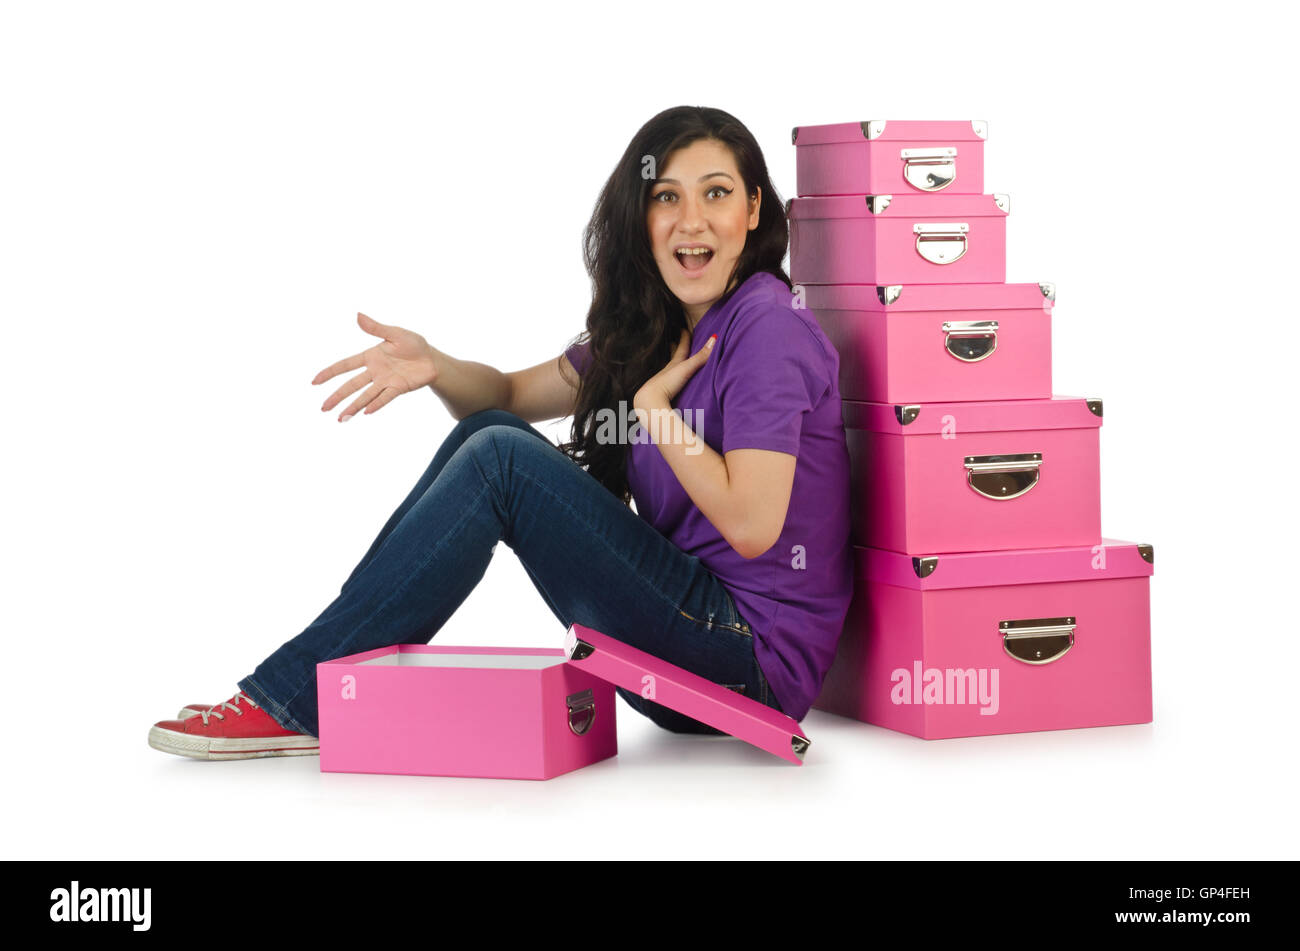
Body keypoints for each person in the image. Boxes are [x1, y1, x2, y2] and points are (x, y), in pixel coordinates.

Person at [148, 105, 853, 760]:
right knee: (488, 431)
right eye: (666, 196)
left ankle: (300, 697)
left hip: (746, 662)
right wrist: (436, 366)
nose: (690, 220)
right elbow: (513, 395)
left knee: (500, 460)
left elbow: (757, 526)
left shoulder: (767, 326)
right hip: (692, 643)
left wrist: (655, 411)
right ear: (640, 216)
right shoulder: (661, 329)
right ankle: (323, 672)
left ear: (755, 209)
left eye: (717, 193)